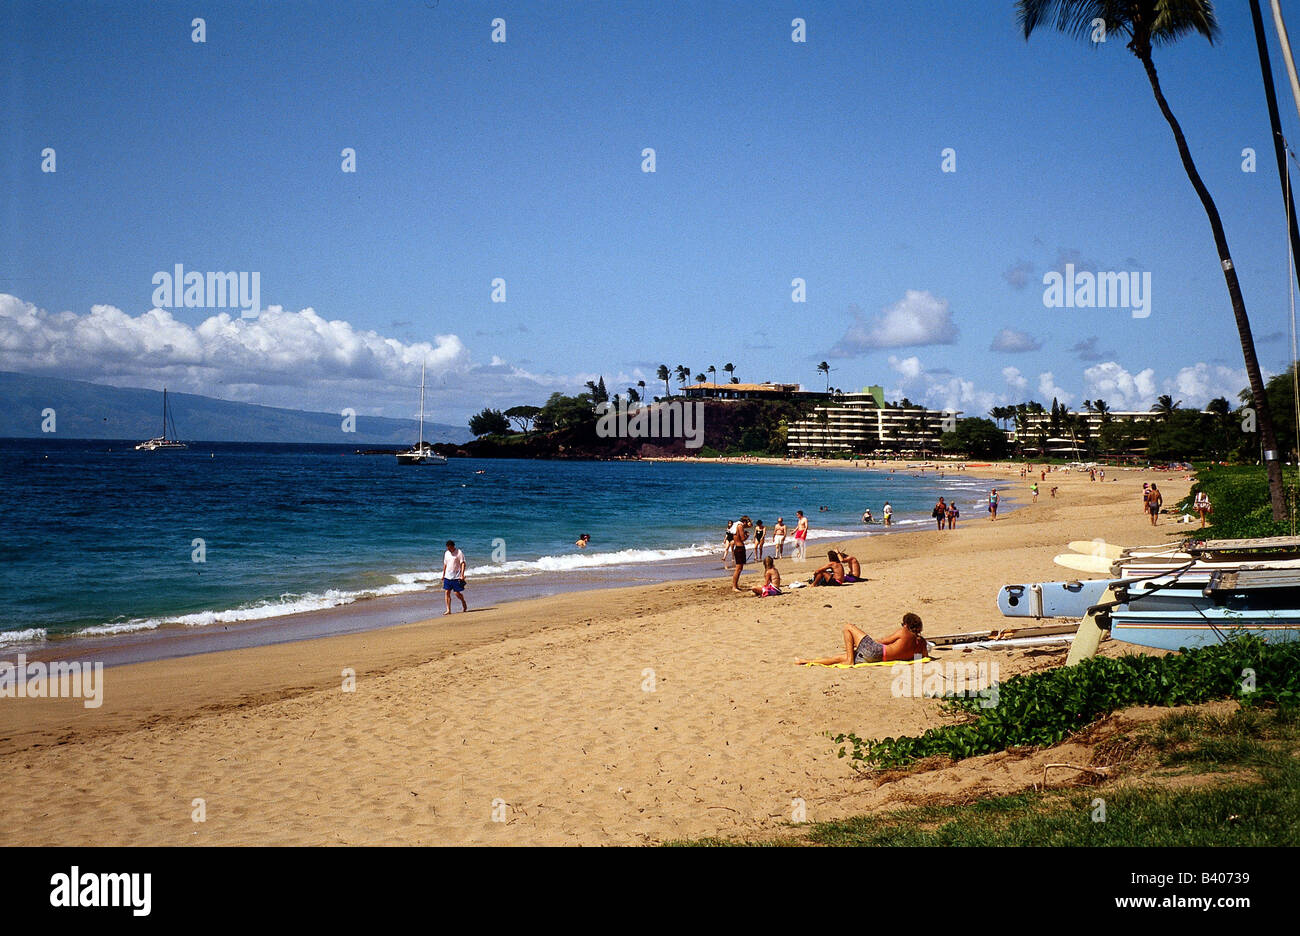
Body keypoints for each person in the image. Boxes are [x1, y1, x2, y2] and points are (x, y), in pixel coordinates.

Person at [796, 612, 929, 665]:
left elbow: (883, 642)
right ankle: (806, 661)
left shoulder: (903, 632)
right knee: (842, 657)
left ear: (906, 624)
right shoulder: (922, 643)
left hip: (877, 652)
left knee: (848, 627)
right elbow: (922, 657)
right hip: (879, 658)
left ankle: (849, 660)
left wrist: (860, 644)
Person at [442, 540, 468, 615]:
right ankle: (448, 610)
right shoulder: (446, 553)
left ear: (453, 546)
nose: (448, 549)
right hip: (447, 576)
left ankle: (463, 601)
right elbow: (445, 564)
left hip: (456, 576)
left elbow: (463, 564)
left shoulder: (459, 552)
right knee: (447, 592)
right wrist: (443, 575)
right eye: (447, 548)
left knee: (456, 593)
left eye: (449, 548)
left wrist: (462, 575)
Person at [730, 518, 749, 592]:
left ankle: (735, 585)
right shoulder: (740, 526)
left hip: (738, 548)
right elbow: (742, 538)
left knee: (739, 569)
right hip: (739, 548)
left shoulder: (736, 526)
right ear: (744, 522)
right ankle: (734, 586)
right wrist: (747, 535)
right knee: (738, 569)